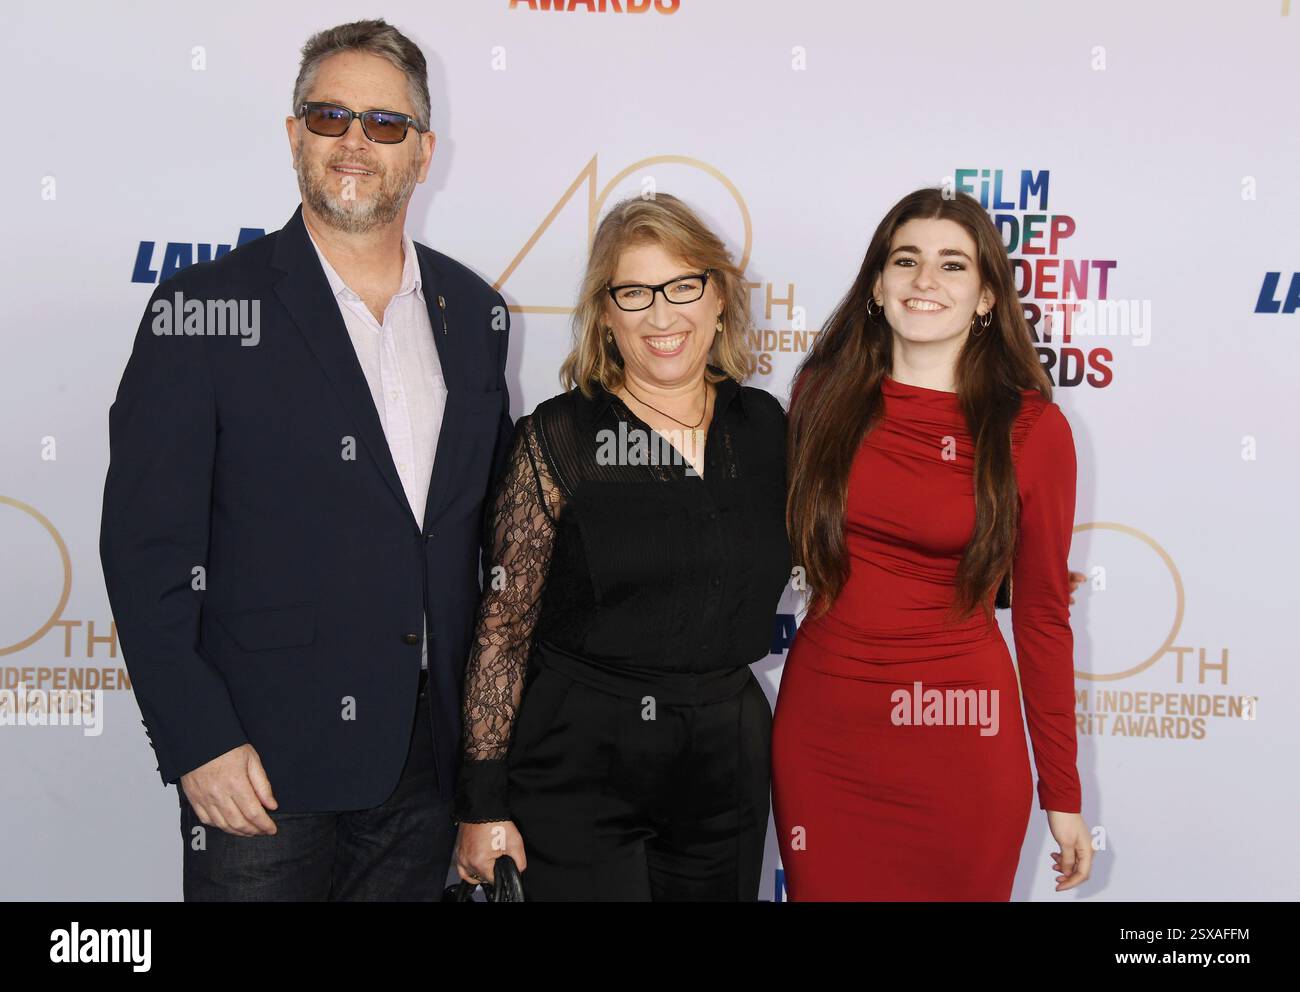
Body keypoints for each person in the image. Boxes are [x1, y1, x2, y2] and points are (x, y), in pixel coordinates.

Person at [99, 19, 512, 900]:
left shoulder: (474, 314)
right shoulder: (201, 311)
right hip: (259, 768)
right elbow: (145, 552)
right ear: (294, 135)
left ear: (423, 152)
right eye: (328, 117)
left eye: (384, 123)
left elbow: (476, 542)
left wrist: (482, 769)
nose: (354, 141)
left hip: (422, 766)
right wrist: (197, 740)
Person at [451, 193, 791, 900]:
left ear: (719, 297)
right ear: (606, 315)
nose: (662, 317)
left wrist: (995, 577)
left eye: (682, 287)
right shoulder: (560, 438)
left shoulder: (764, 428)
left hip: (726, 755)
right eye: (634, 293)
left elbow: (838, 543)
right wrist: (482, 802)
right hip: (579, 756)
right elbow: (504, 627)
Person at [772, 187, 1093, 900]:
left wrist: (1063, 795)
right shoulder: (818, 397)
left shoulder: (1033, 432)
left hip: (962, 742)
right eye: (906, 259)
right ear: (877, 285)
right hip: (826, 736)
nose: (925, 280)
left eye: (953, 265)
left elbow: (1043, 617)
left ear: (986, 298)